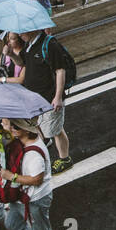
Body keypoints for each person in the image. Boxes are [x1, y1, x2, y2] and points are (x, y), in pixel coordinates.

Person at [0, 117, 56, 230]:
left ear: (25, 130)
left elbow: (36, 179)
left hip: (35, 198)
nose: (10, 129)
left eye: (14, 126)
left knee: (41, 229)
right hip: (21, 195)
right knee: (12, 223)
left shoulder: (34, 154)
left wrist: (11, 177)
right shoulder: (20, 141)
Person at [21, 27, 74, 173]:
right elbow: (24, 64)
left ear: (31, 29)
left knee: (56, 129)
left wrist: (57, 97)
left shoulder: (50, 45)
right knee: (37, 125)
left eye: (22, 31)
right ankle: (43, 148)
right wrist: (11, 55)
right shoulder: (29, 44)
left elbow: (60, 70)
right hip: (35, 97)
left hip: (49, 97)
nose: (20, 34)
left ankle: (65, 159)